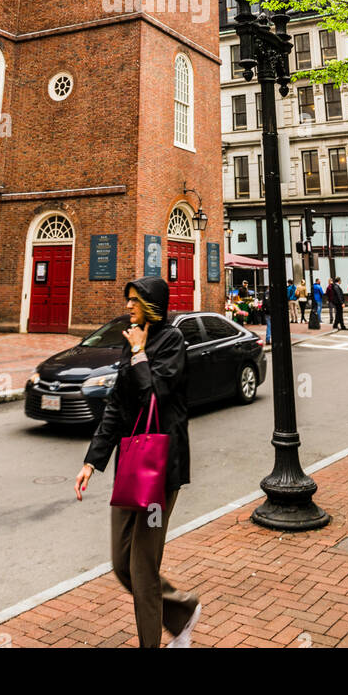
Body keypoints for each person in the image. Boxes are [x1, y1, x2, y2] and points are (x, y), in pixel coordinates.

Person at [74, 276, 201, 649]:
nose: (128, 306)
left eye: (135, 300)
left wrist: (142, 355)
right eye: (128, 300)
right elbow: (117, 405)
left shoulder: (171, 342)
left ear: (152, 305)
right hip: (131, 467)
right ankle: (181, 612)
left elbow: (156, 398)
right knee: (121, 562)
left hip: (161, 470)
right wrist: (92, 461)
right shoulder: (132, 341)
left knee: (143, 567)